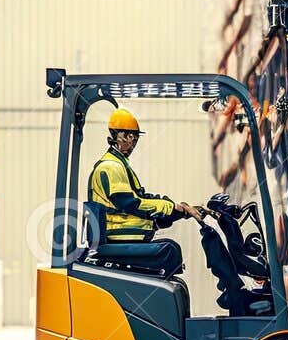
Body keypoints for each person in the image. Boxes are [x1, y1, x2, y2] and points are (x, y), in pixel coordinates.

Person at [87, 108, 203, 272]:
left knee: (171, 248)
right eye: (132, 137)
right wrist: (168, 208)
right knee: (169, 250)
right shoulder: (111, 166)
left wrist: (175, 208)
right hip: (117, 236)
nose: (133, 142)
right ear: (126, 136)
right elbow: (131, 204)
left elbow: (141, 196)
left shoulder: (118, 164)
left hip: (122, 236)